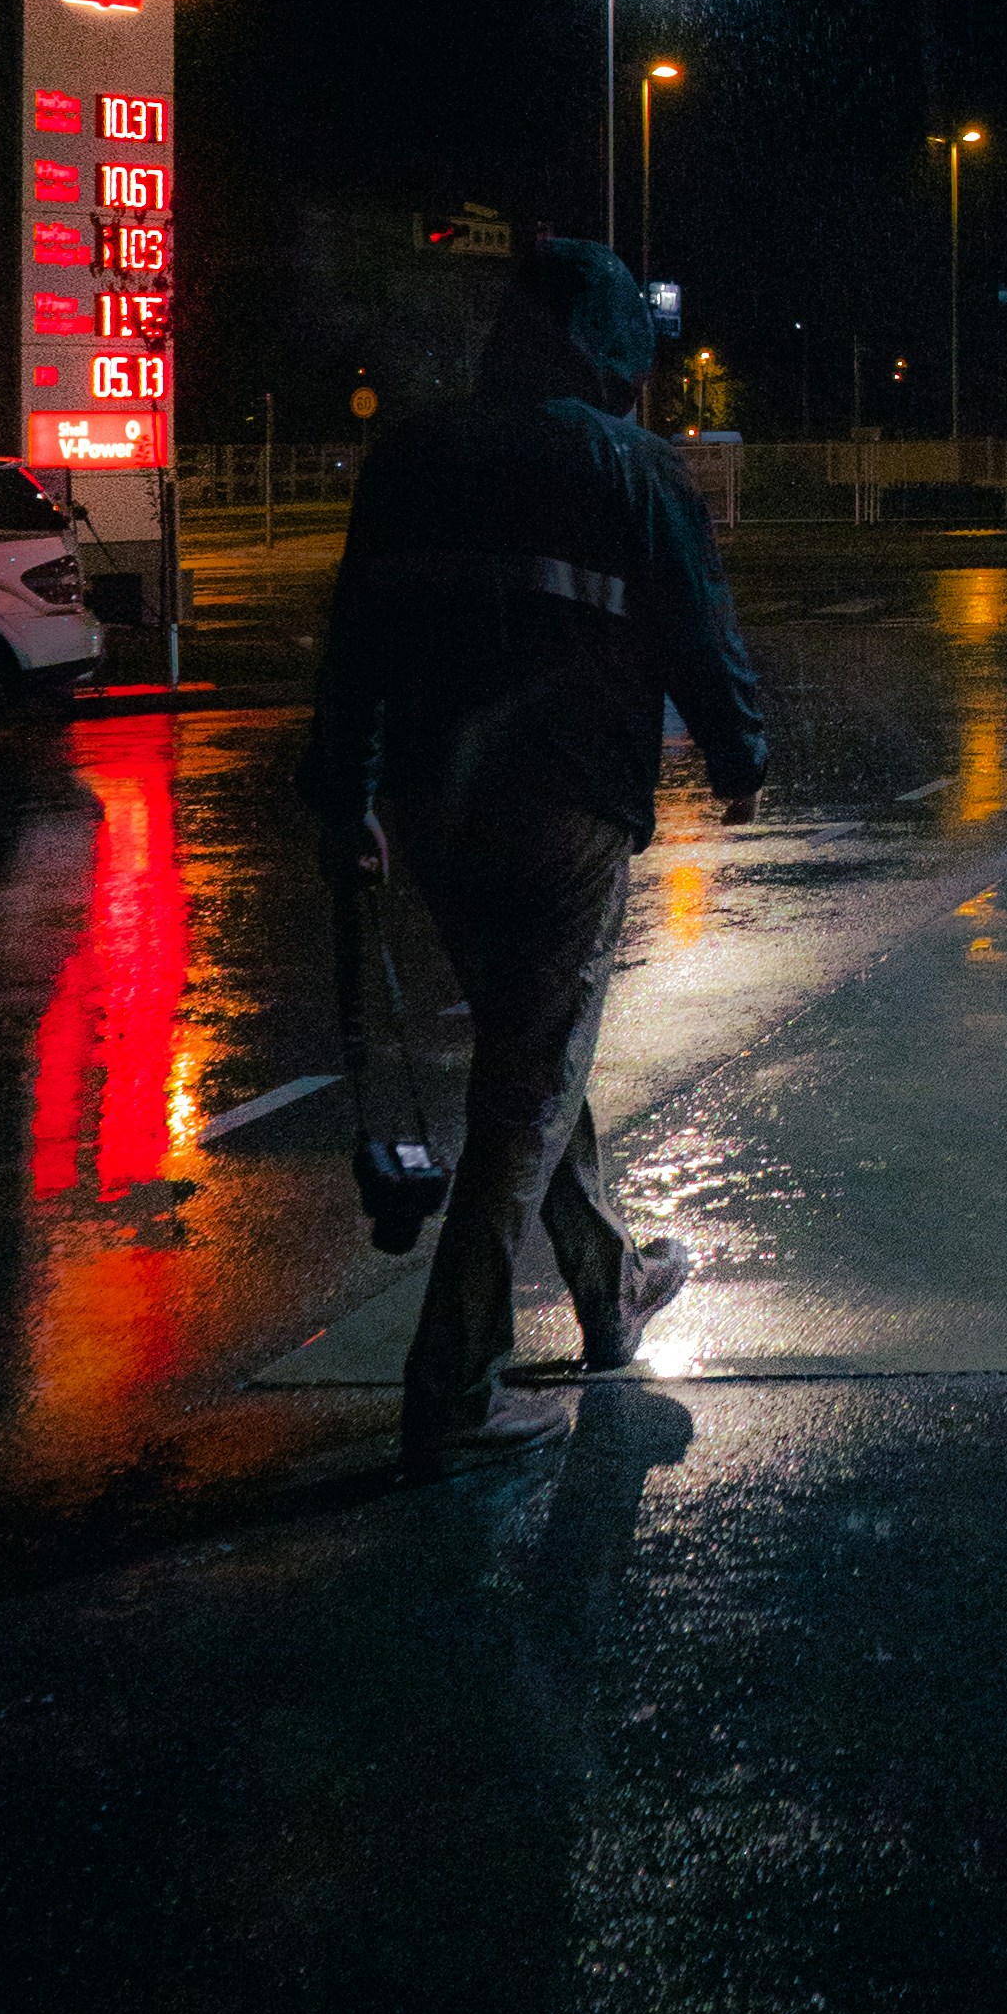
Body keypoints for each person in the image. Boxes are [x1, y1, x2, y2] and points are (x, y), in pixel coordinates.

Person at [298, 234, 768, 1481]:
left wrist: (342, 800)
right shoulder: (633, 466)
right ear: (602, 340)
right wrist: (740, 754)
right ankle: (452, 1390)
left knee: (532, 1045)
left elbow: (353, 644)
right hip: (565, 802)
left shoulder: (411, 456)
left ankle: (612, 1288)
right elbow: (697, 632)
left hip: (431, 804)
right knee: (528, 1083)